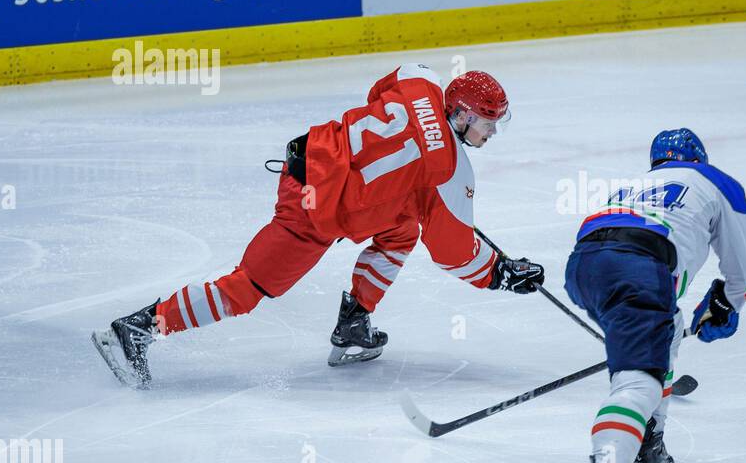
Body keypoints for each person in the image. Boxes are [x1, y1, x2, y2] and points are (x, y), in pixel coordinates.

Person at [93, 64, 545, 388]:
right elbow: (455, 253)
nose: (492, 133)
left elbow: (378, 93)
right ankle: (140, 327)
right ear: (464, 115)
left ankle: (354, 323)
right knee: (248, 287)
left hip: (312, 156)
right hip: (313, 209)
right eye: (488, 123)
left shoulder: (419, 77)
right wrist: (500, 273)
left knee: (403, 227)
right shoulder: (451, 172)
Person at [561, 129, 746, 463]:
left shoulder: (635, 183)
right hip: (638, 268)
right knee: (638, 381)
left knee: (664, 334)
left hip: (582, 268)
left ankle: (647, 442)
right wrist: (727, 306)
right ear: (700, 158)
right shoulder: (716, 181)